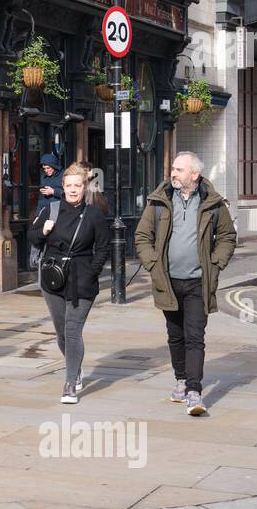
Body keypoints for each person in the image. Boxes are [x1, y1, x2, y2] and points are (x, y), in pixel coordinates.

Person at [134, 151, 237, 417]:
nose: (173, 173)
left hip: (197, 283)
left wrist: (215, 264)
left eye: (179, 169)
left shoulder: (213, 204)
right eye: (173, 168)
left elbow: (227, 236)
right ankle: (181, 378)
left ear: (195, 174)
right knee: (175, 335)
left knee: (195, 337)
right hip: (167, 281)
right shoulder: (159, 201)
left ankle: (194, 390)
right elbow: (142, 236)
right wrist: (153, 264)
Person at [30, 163, 109, 404]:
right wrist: (43, 230)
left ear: (85, 188)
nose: (73, 190)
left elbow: (103, 247)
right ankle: (76, 368)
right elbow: (32, 238)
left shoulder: (94, 214)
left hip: (81, 280)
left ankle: (70, 382)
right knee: (61, 332)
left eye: (77, 185)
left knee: (73, 330)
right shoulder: (51, 210)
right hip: (53, 278)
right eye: (69, 186)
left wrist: (92, 272)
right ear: (62, 187)